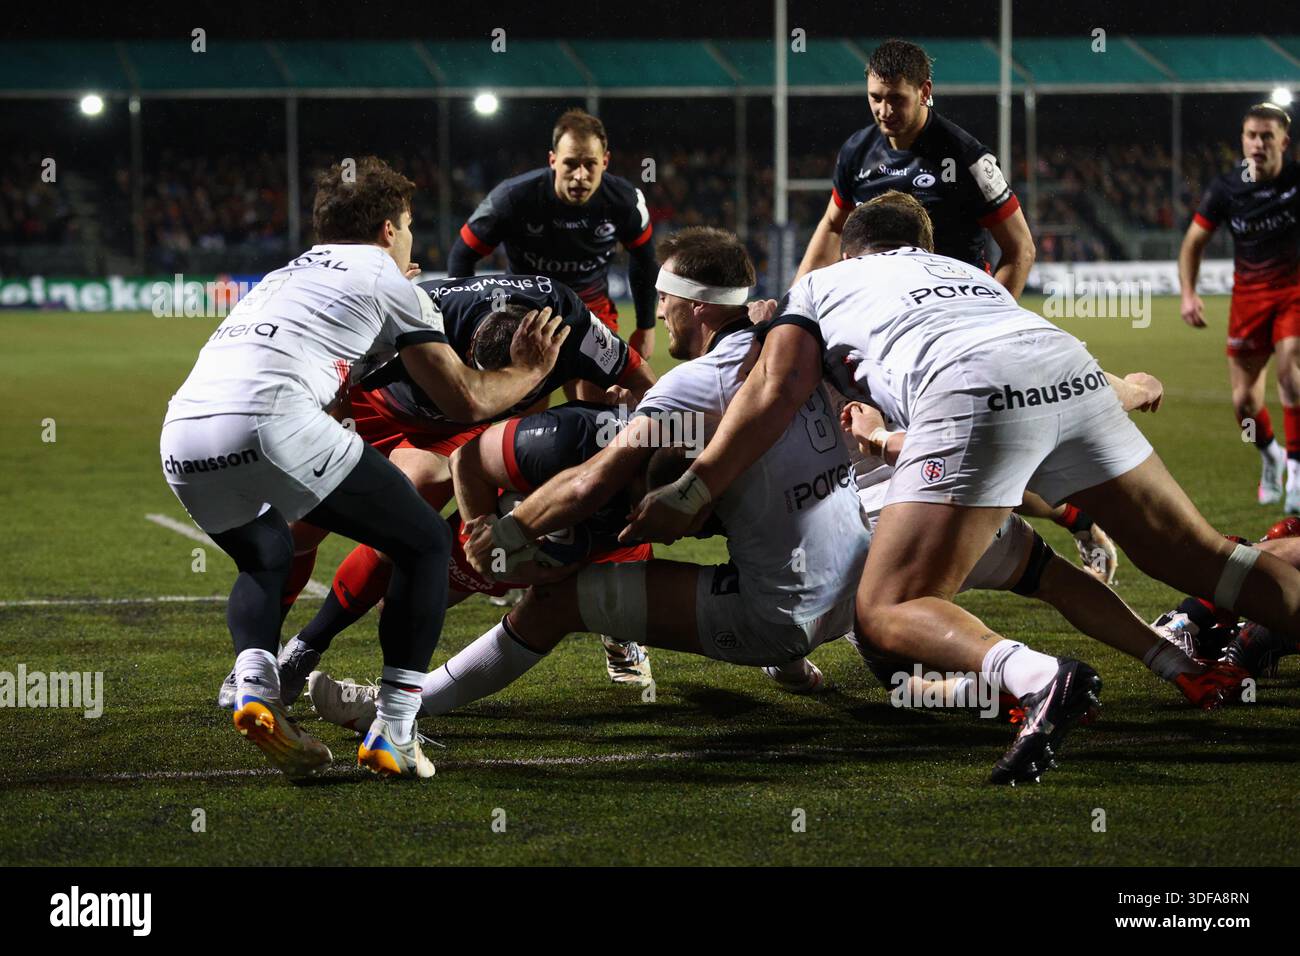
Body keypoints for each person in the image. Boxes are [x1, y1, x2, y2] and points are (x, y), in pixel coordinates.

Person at [624, 192, 1300, 784]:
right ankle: (1162, 650)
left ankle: (1038, 680)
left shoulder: (824, 285)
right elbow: (1024, 356)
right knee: (1201, 555)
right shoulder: (964, 274)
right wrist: (1127, 388)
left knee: (887, 610)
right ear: (921, 245)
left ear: (849, 249)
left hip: (968, 396)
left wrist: (694, 488)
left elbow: (776, 389)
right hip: (1068, 370)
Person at [160, 156, 567, 779]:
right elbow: (465, 399)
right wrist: (531, 372)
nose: (410, 237)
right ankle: (395, 730)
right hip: (271, 419)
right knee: (426, 542)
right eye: (406, 224)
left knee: (264, 554)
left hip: (184, 433)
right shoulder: (387, 279)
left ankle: (255, 684)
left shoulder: (280, 275)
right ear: (386, 230)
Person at [240, 272, 658, 705]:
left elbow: (651, 388)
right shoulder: (411, 321)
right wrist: (339, 444)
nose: (514, 396)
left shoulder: (572, 326)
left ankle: (307, 649)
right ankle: (255, 656)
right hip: (374, 404)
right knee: (299, 527)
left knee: (410, 509)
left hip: (457, 419)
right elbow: (328, 371)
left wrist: (651, 427)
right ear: (467, 358)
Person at [798, 37, 1116, 582]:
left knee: (961, 460)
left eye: (895, 99)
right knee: (932, 461)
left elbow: (1020, 249)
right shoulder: (857, 151)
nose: (883, 111)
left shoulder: (965, 155)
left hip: (953, 339)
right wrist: (797, 305)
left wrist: (987, 320)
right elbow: (832, 226)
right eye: (874, 98)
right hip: (890, 338)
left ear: (926, 92)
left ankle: (1065, 527)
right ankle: (1065, 524)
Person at [448, 108, 659, 361]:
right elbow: (462, 255)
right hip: (524, 312)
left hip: (591, 312)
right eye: (570, 163)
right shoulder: (511, 198)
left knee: (600, 399)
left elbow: (645, 260)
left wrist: (646, 327)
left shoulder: (625, 201)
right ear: (552, 160)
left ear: (605, 161)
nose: (580, 176)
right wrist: (466, 322)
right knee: (524, 396)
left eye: (590, 164)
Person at [1179, 103, 1300, 509]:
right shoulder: (1227, 188)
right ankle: (1271, 455)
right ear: (1243, 140)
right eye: (1251, 135)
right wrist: (1188, 294)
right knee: (1244, 405)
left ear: (1284, 141)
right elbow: (1193, 244)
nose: (1258, 143)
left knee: (1290, 373)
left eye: (1267, 136)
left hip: (1293, 293)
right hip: (1248, 300)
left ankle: (1297, 473)